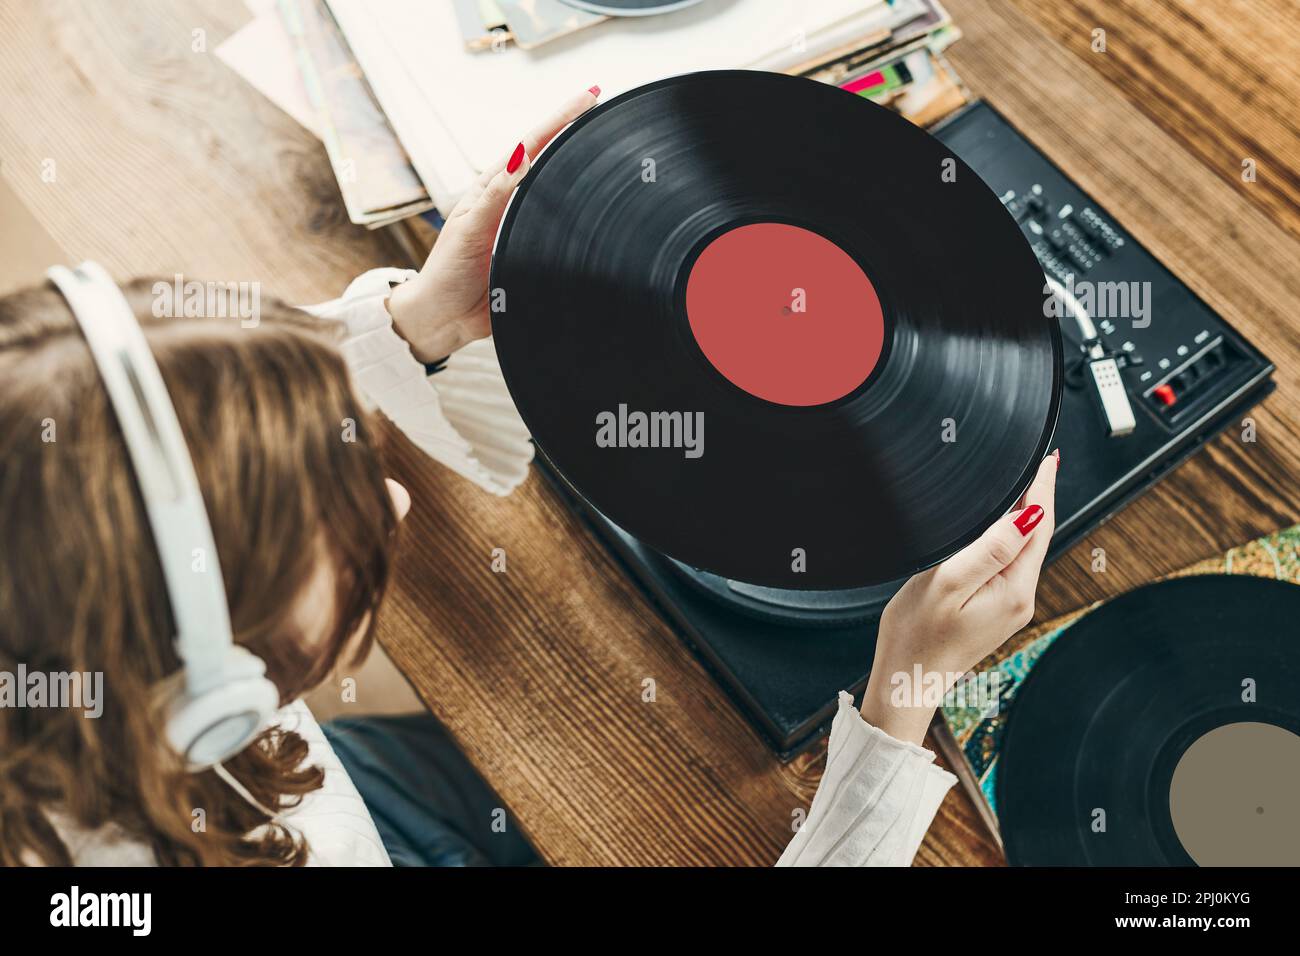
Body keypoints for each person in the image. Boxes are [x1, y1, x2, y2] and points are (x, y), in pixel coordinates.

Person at [0, 88, 1056, 867]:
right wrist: (900, 706)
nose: (394, 499)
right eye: (341, 516)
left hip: (313, 780)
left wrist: (415, 323)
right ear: (214, 689)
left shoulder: (83, 635)